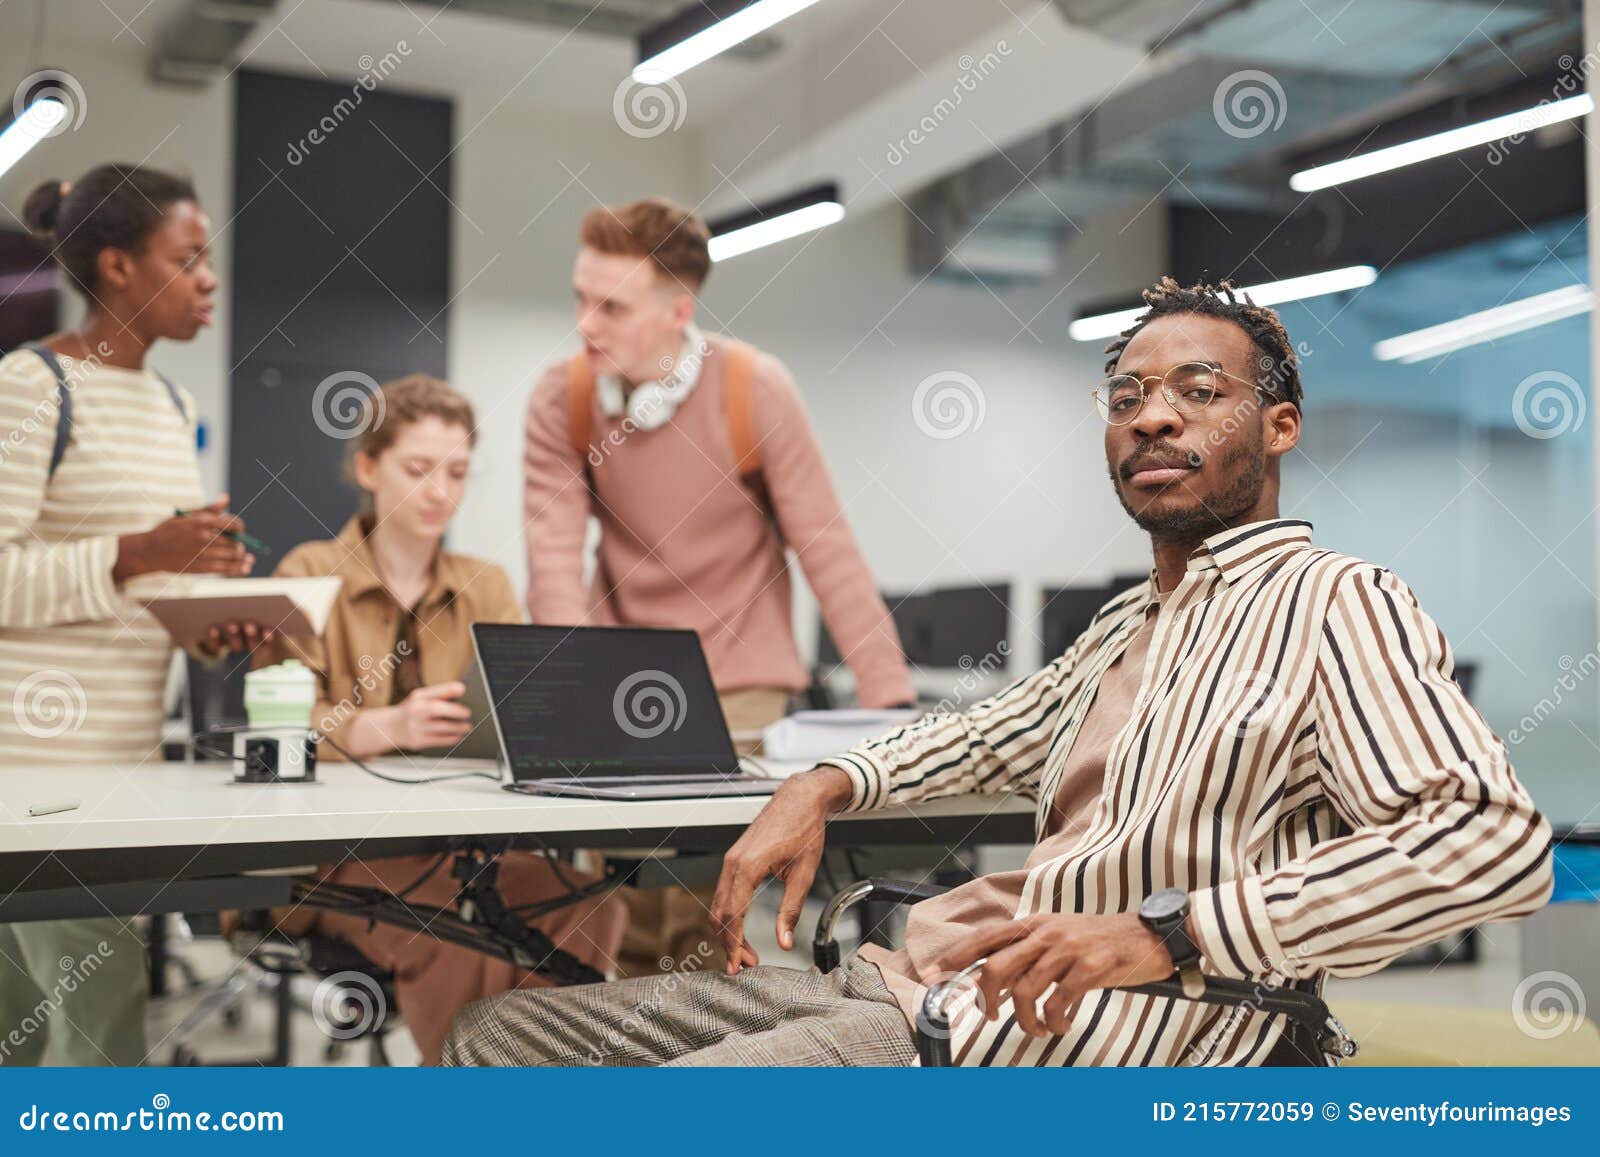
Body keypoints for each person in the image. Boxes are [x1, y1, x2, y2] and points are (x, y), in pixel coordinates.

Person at [442, 277, 1554, 1067]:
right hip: (913, 974)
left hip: (1058, 1037)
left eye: (1199, 391)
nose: (1152, 414)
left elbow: (1487, 843)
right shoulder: (1134, 620)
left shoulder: (1333, 602)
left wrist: (1167, 930)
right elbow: (985, 732)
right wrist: (823, 783)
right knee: (497, 1036)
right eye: (1124, 398)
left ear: (1279, 426)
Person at [522, 197, 913, 976]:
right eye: (579, 297)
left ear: (678, 310)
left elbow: (826, 548)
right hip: (621, 683)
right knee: (631, 913)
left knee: (703, 907)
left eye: (611, 305)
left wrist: (893, 716)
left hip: (740, 685)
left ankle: (702, 1070)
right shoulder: (563, 400)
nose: (586, 324)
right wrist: (569, 698)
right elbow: (553, 564)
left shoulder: (752, 389)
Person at [254, 374, 625, 1065]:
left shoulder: (486, 583)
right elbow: (277, 734)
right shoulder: (308, 570)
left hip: (463, 847)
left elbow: (528, 712)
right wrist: (380, 727)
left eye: (456, 472)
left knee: (590, 903)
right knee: (464, 931)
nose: (440, 491)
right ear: (368, 467)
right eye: (418, 468)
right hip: (336, 858)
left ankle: (532, 1089)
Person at [0, 164, 261, 1066]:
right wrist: (133, 553)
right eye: (188, 258)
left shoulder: (171, 403)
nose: (209, 278)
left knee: (41, 1043)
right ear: (116, 267)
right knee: (99, 1043)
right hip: (29, 773)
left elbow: (154, 583)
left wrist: (215, 607)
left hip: (121, 775)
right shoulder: (32, 388)